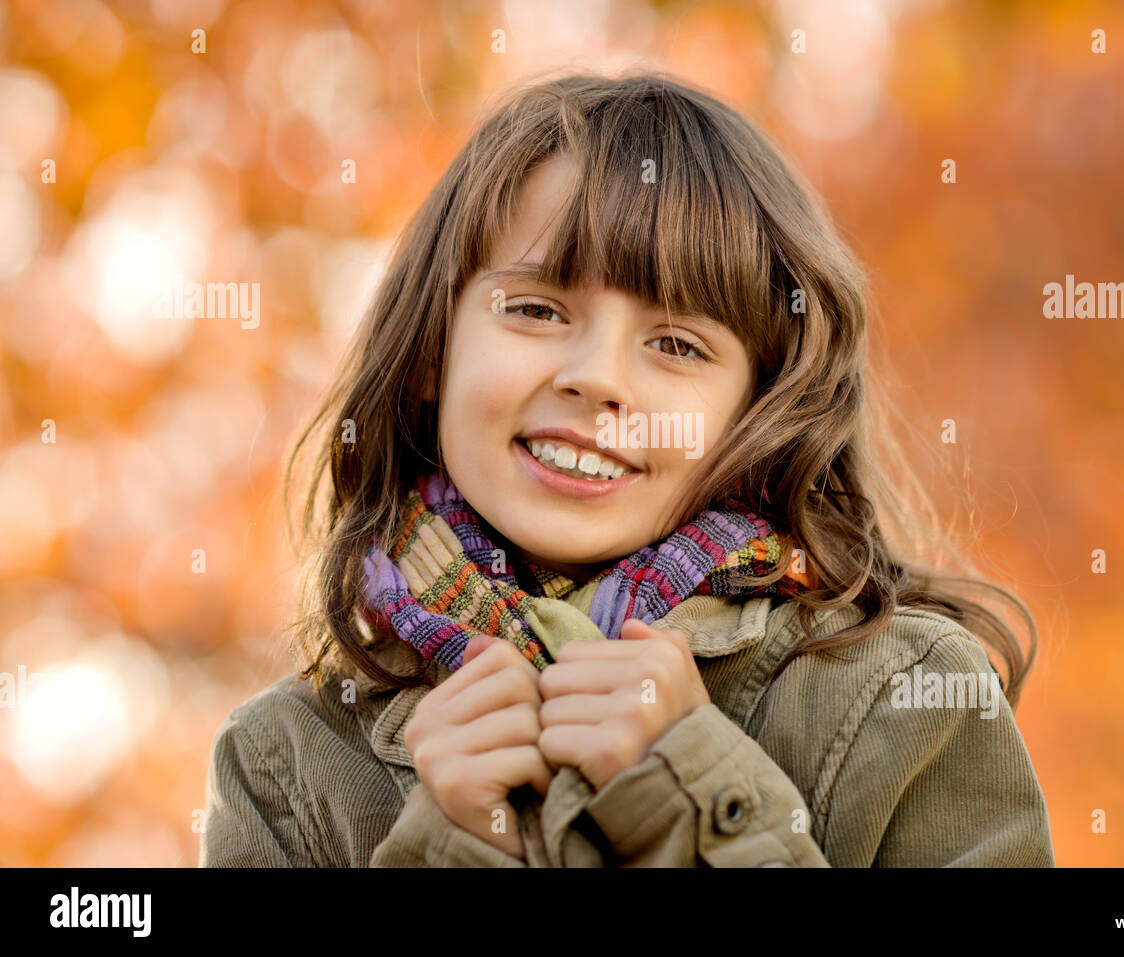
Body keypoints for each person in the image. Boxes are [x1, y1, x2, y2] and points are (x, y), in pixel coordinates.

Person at [199, 71, 1054, 867]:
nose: (598, 377)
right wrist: (450, 844)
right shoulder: (285, 764)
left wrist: (698, 796)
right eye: (535, 309)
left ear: (762, 410)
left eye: (677, 344)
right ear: (432, 349)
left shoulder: (908, 699)